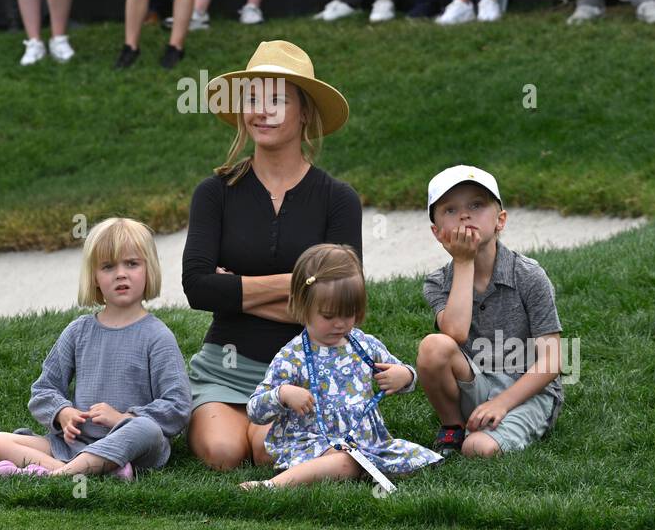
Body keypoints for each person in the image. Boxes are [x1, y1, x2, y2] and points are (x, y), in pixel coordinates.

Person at [181, 40, 362, 471]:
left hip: (302, 370)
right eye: (253, 99)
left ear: (305, 113)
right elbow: (199, 287)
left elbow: (343, 299)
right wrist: (303, 288)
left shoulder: (338, 199)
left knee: (268, 453)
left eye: (277, 100)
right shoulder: (214, 193)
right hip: (224, 367)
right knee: (224, 454)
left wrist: (235, 286)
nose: (261, 110)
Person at [0, 217, 192, 480]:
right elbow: (44, 388)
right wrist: (63, 412)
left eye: (131, 263)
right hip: (74, 443)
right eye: (108, 266)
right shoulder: (79, 331)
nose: (120, 273)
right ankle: (87, 471)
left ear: (149, 269)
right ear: (94, 277)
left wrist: (122, 417)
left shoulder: (157, 336)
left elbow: (178, 405)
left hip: (132, 445)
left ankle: (55, 474)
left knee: (147, 429)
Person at [241, 243, 441, 490]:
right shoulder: (291, 356)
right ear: (303, 306)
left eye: (349, 314)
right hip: (313, 443)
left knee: (422, 461)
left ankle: (358, 469)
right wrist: (282, 394)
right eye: (328, 315)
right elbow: (255, 410)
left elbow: (404, 374)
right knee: (345, 463)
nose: (340, 324)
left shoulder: (364, 344)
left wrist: (404, 376)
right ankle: (271, 486)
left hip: (368, 442)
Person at [416, 166, 563, 457]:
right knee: (433, 346)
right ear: (437, 232)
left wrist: (503, 403)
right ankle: (453, 426)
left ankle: (479, 433)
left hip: (527, 391)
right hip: (476, 382)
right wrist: (463, 263)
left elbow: (552, 360)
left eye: (477, 205)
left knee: (478, 448)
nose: (464, 215)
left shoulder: (529, 275)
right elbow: (455, 333)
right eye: (450, 209)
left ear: (500, 220)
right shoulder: (437, 282)